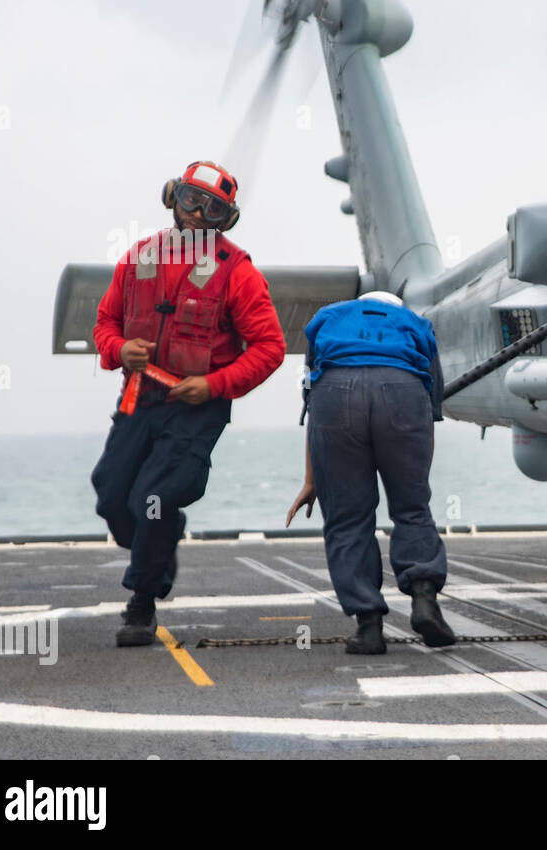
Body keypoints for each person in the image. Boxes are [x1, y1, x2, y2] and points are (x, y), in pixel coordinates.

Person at [91, 160, 286, 647]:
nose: (199, 214)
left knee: (151, 499)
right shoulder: (138, 257)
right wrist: (118, 350)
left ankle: (141, 604)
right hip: (140, 397)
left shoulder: (238, 274)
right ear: (172, 199)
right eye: (191, 201)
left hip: (196, 409)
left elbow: (270, 348)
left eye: (214, 209)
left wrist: (215, 385)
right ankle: (160, 541)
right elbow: (104, 325)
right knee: (112, 496)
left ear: (228, 220)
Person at [286, 291, 454, 653]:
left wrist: (311, 481)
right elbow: (432, 407)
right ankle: (424, 601)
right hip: (403, 392)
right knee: (411, 509)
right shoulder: (415, 324)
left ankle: (369, 627)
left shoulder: (327, 318)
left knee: (347, 517)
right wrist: (415, 481)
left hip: (334, 396)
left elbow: (311, 397)